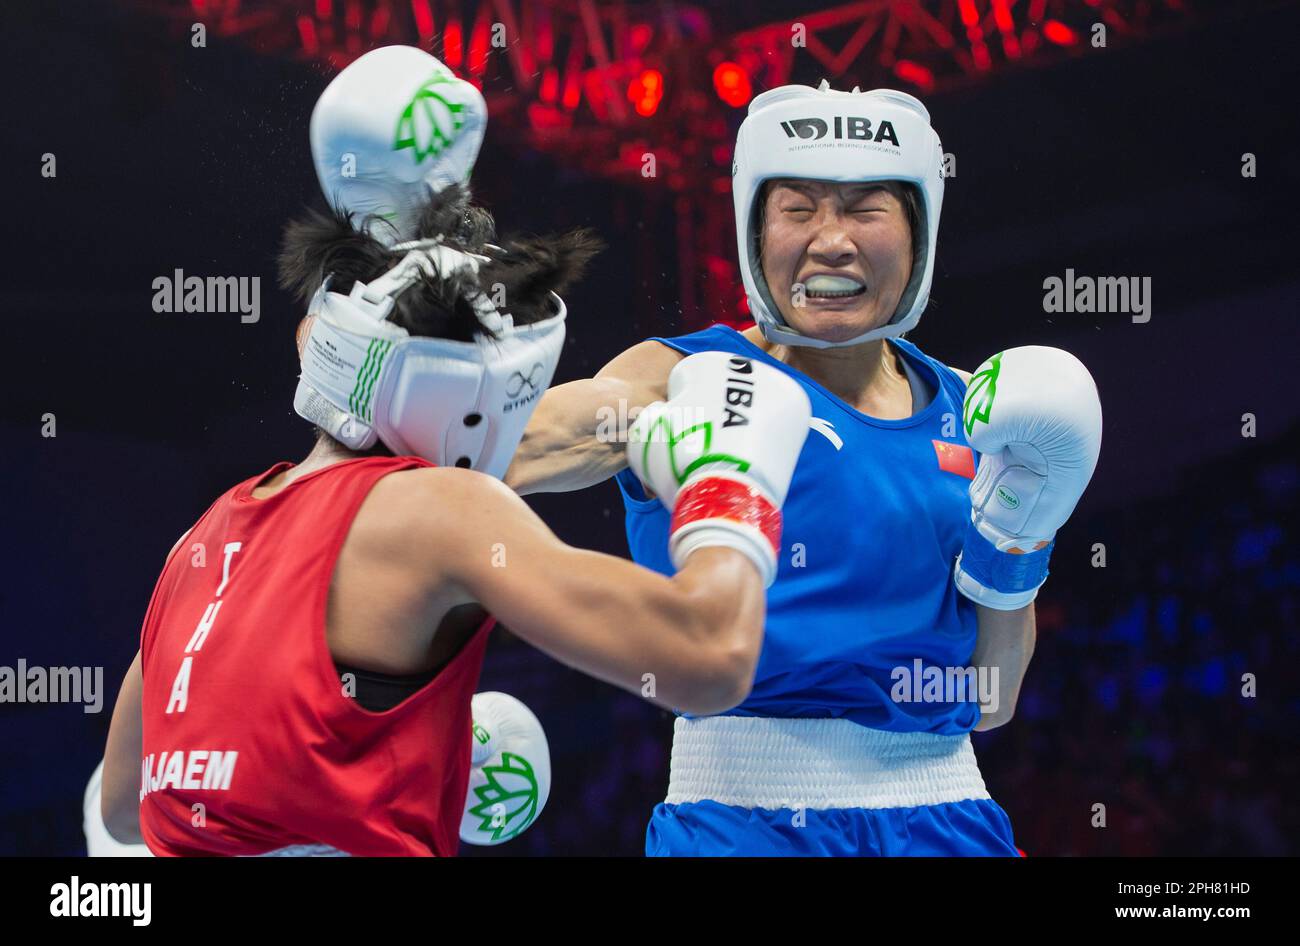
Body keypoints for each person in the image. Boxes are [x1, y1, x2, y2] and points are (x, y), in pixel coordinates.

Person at [96, 46, 813, 856]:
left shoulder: (202, 541)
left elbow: (123, 808)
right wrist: (729, 480)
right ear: (481, 397)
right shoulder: (441, 511)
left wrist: (378, 751)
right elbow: (708, 658)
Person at [507, 82, 1103, 855]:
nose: (831, 240)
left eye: (864, 209)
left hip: (949, 813)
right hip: (739, 816)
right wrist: (394, 394)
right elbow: (501, 448)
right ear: (756, 230)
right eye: (798, 208)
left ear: (918, 231)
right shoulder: (685, 372)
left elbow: (992, 699)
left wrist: (1022, 537)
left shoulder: (974, 408)